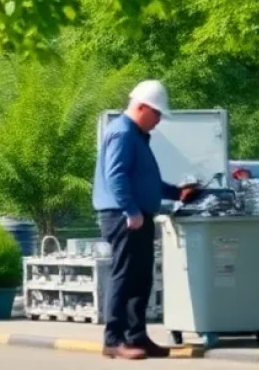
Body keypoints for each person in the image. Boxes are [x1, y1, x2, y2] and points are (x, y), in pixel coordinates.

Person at [93, 81, 198, 361]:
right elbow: (116, 176)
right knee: (124, 276)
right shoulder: (123, 134)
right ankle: (113, 340)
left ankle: (136, 336)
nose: (159, 119)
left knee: (141, 278)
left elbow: (145, 181)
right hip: (124, 217)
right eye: (157, 113)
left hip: (137, 214)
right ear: (141, 107)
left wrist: (176, 192)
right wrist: (130, 210)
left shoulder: (135, 135)